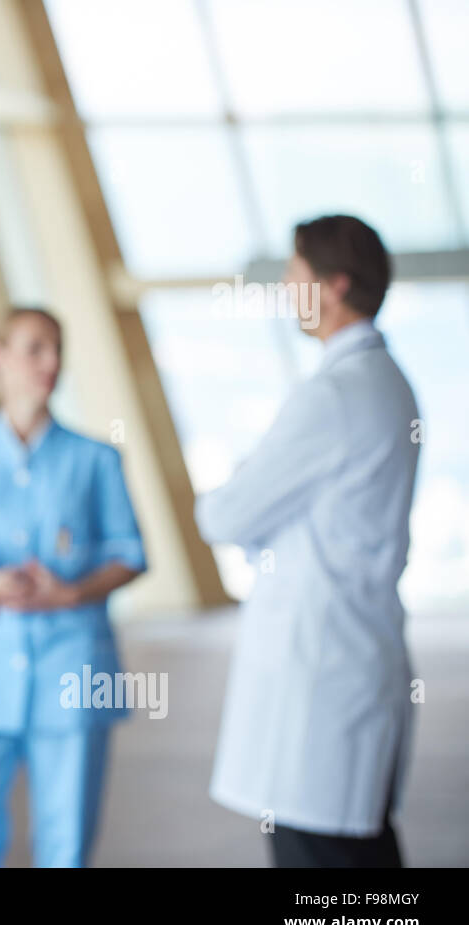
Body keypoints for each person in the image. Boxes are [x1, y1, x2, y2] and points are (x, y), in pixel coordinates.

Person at [196, 214, 419, 868]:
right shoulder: (386, 382)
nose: (287, 287)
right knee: (360, 859)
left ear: (333, 285)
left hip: (320, 678)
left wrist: (237, 482)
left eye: (295, 273)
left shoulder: (333, 394)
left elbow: (224, 515)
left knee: (323, 867)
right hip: (354, 656)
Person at [0, 307, 146, 868]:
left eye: (56, 348)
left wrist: (71, 593)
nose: (51, 362)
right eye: (35, 347)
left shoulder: (96, 459)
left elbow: (131, 553)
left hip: (73, 674)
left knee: (66, 841)